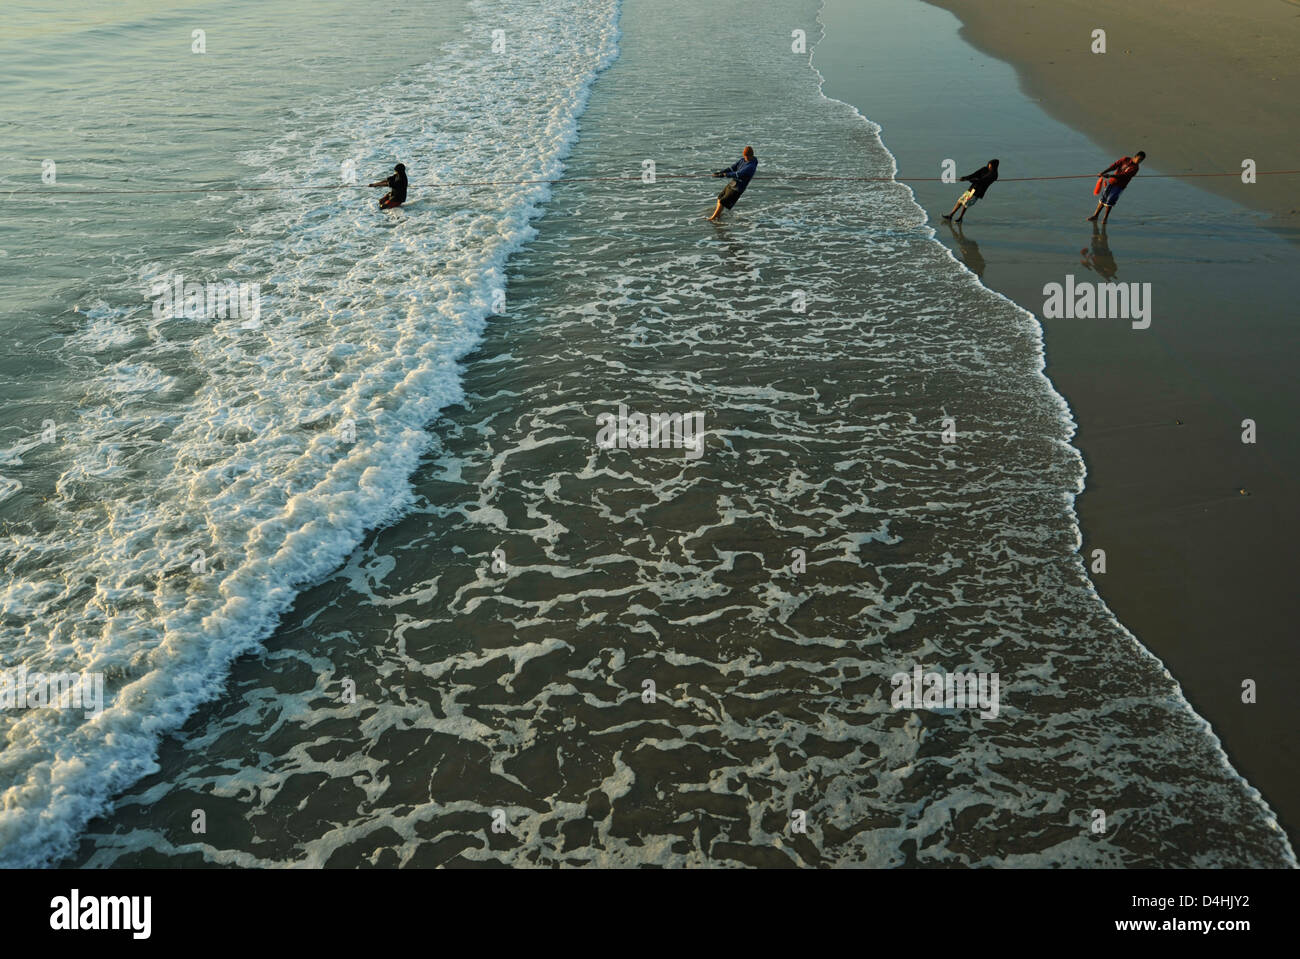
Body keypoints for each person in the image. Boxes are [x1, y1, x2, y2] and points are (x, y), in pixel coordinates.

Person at [1087, 151, 1145, 223]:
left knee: (1110, 202)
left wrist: (1110, 175)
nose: (1139, 162)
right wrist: (1103, 172)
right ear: (1135, 157)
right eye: (1139, 159)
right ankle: (1095, 216)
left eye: (1141, 161)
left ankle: (1105, 218)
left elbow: (1123, 176)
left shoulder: (1135, 168)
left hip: (1120, 186)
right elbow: (1114, 166)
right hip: (1111, 182)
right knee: (1102, 199)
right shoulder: (1125, 159)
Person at [707, 146, 758, 221]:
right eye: (744, 156)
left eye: (747, 156)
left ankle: (713, 217)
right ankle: (718, 215)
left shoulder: (751, 166)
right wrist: (721, 172)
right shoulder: (742, 160)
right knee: (720, 197)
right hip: (733, 183)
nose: (745, 158)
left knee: (723, 201)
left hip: (739, 187)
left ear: (751, 156)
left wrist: (725, 175)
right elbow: (732, 168)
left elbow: (738, 174)